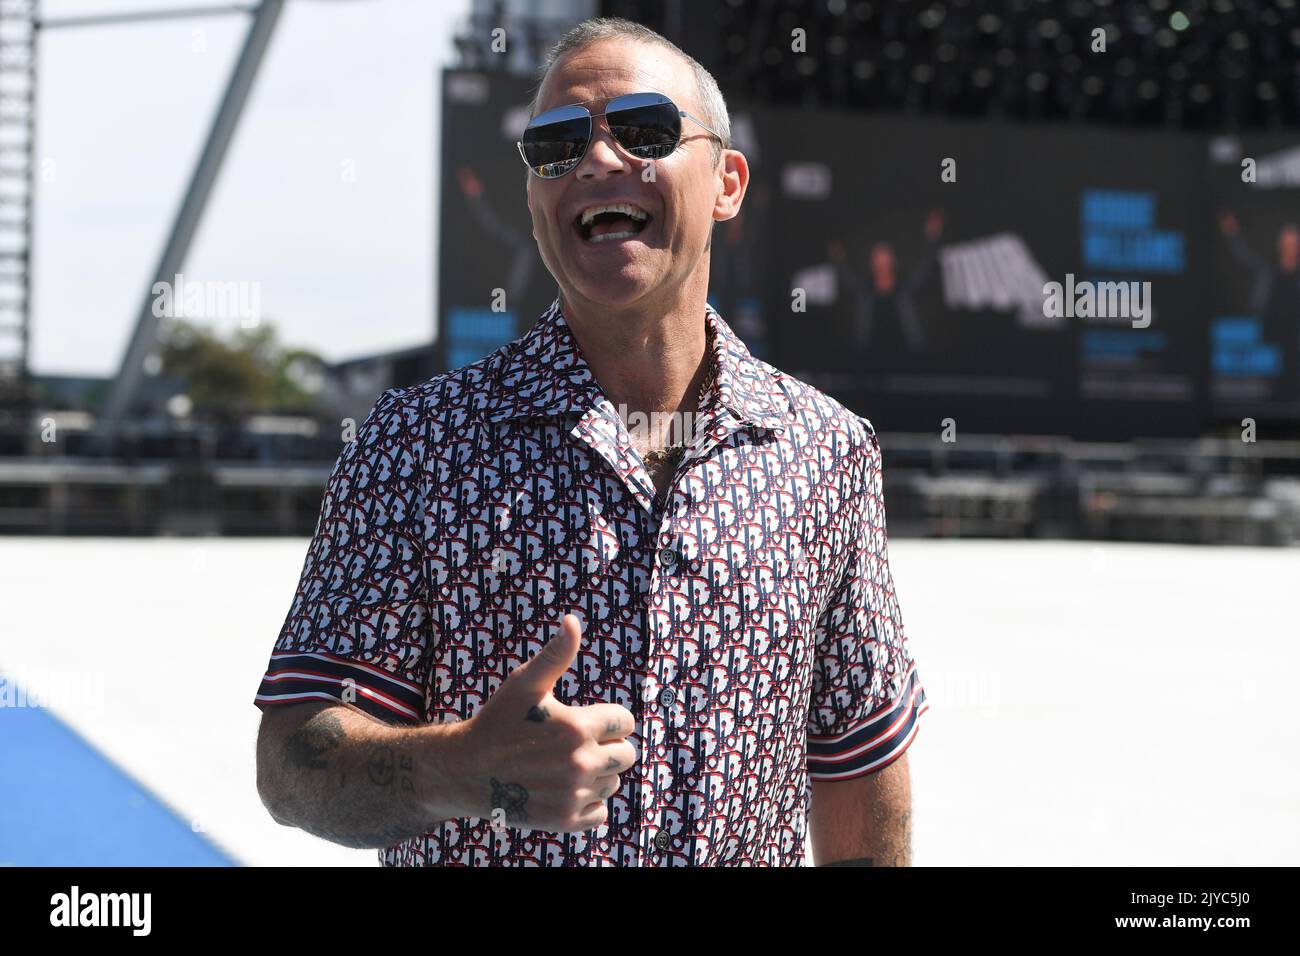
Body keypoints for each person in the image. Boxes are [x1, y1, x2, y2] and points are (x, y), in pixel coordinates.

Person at [253, 16, 927, 867]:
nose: (599, 160)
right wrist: (464, 768)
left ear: (728, 182)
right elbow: (290, 767)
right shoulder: (414, 445)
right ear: (535, 200)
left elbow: (858, 766)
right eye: (557, 144)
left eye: (644, 131)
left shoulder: (828, 453)